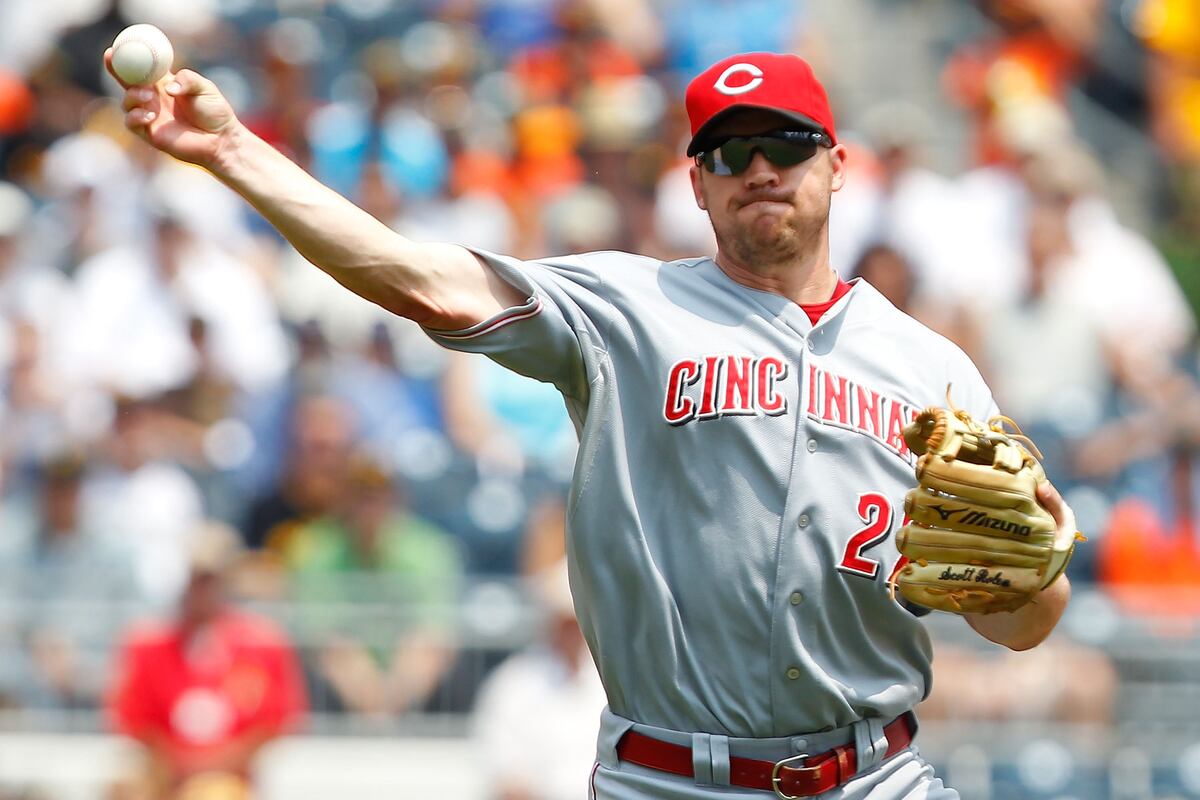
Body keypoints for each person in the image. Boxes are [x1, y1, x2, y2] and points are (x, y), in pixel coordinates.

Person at [108, 48, 1080, 799]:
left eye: (784, 145)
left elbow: (1027, 624)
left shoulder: (931, 368)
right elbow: (422, 282)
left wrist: (1030, 576)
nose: (760, 170)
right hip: (668, 776)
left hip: (875, 772)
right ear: (697, 183)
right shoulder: (628, 307)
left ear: (836, 163)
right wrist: (233, 149)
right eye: (729, 151)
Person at [105, 521, 307, 799]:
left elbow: (275, 723)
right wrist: (175, 765)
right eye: (196, 578)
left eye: (209, 579)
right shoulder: (147, 643)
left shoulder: (264, 644)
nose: (201, 589)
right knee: (125, 786)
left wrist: (213, 766)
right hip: (162, 775)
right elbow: (133, 719)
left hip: (232, 779)